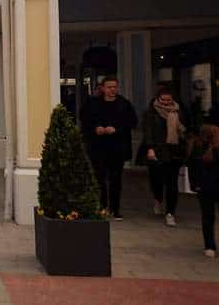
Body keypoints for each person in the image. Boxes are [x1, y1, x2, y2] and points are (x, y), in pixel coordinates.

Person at [80, 77, 138, 221]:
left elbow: (132, 121)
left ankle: (115, 209)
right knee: (99, 178)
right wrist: (95, 128)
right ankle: (101, 207)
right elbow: (84, 119)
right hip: (98, 147)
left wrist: (116, 129)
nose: (112, 90)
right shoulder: (93, 104)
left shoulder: (124, 104)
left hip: (117, 147)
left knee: (115, 179)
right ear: (103, 88)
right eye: (109, 87)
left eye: (114, 87)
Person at [142, 88, 187, 227]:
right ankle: (158, 198)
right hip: (157, 150)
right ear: (158, 99)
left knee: (172, 183)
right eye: (164, 100)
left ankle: (170, 213)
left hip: (174, 151)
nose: (167, 103)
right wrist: (150, 149)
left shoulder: (179, 111)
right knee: (156, 179)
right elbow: (148, 130)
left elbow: (186, 128)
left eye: (169, 100)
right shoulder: (151, 112)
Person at [188, 114, 219, 258]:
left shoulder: (197, 145)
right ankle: (209, 245)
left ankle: (209, 246)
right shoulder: (200, 146)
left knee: (207, 216)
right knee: (208, 216)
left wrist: (195, 184)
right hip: (208, 185)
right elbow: (193, 166)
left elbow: (192, 166)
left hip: (204, 186)